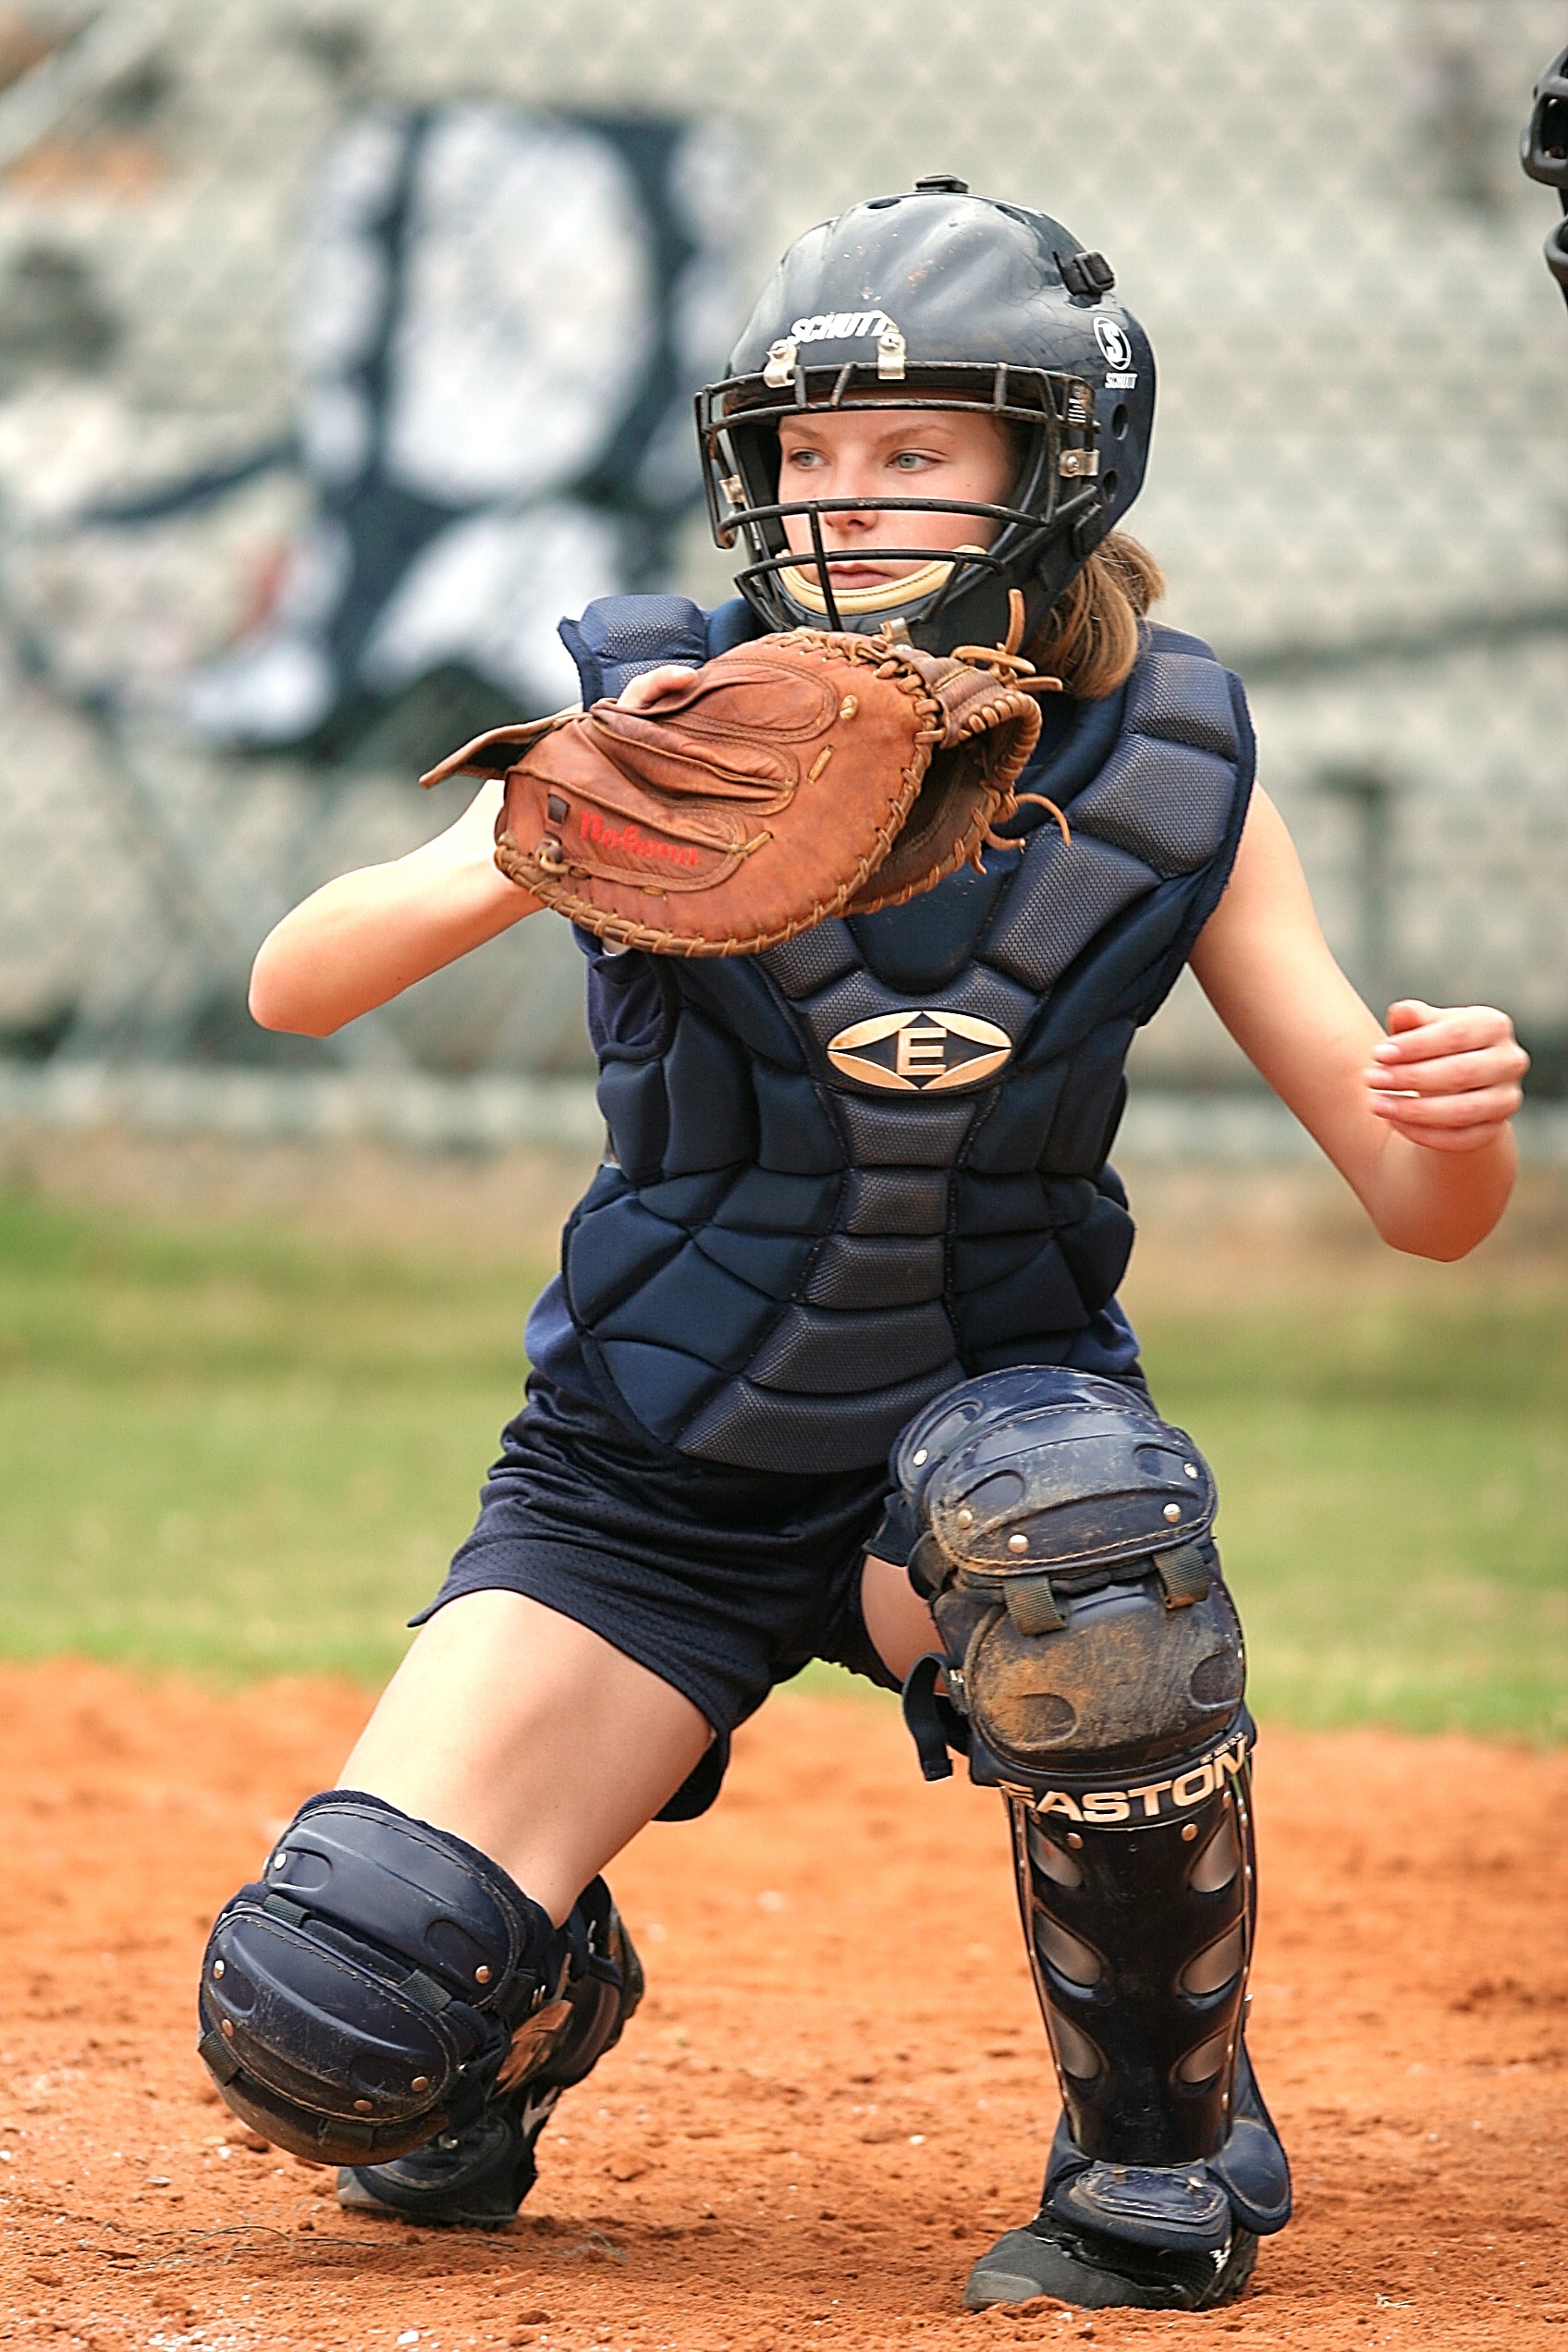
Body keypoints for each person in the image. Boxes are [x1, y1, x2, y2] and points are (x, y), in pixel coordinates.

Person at [198, 183, 1526, 2315]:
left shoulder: (1171, 760)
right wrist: (546, 832)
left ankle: (1153, 2140)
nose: (844, 497)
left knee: (1077, 1521)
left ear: (1055, 465)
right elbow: (295, 981)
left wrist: (1447, 1122)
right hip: (655, 1466)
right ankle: (524, 1996)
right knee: (331, 2021)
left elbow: (1414, 1209)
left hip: (974, 1458)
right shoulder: (659, 707)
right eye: (805, 454)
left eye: (913, 449)